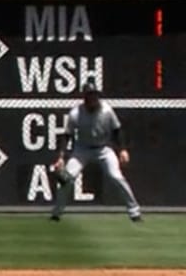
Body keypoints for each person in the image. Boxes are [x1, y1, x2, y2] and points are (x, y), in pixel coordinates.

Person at [50, 89, 142, 222]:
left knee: (116, 177)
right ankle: (56, 213)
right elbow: (67, 135)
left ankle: (134, 212)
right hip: (82, 150)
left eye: (95, 96)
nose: (93, 99)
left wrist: (123, 149)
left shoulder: (107, 110)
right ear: (85, 98)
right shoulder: (76, 113)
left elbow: (117, 130)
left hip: (103, 149)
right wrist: (61, 157)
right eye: (90, 96)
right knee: (66, 178)